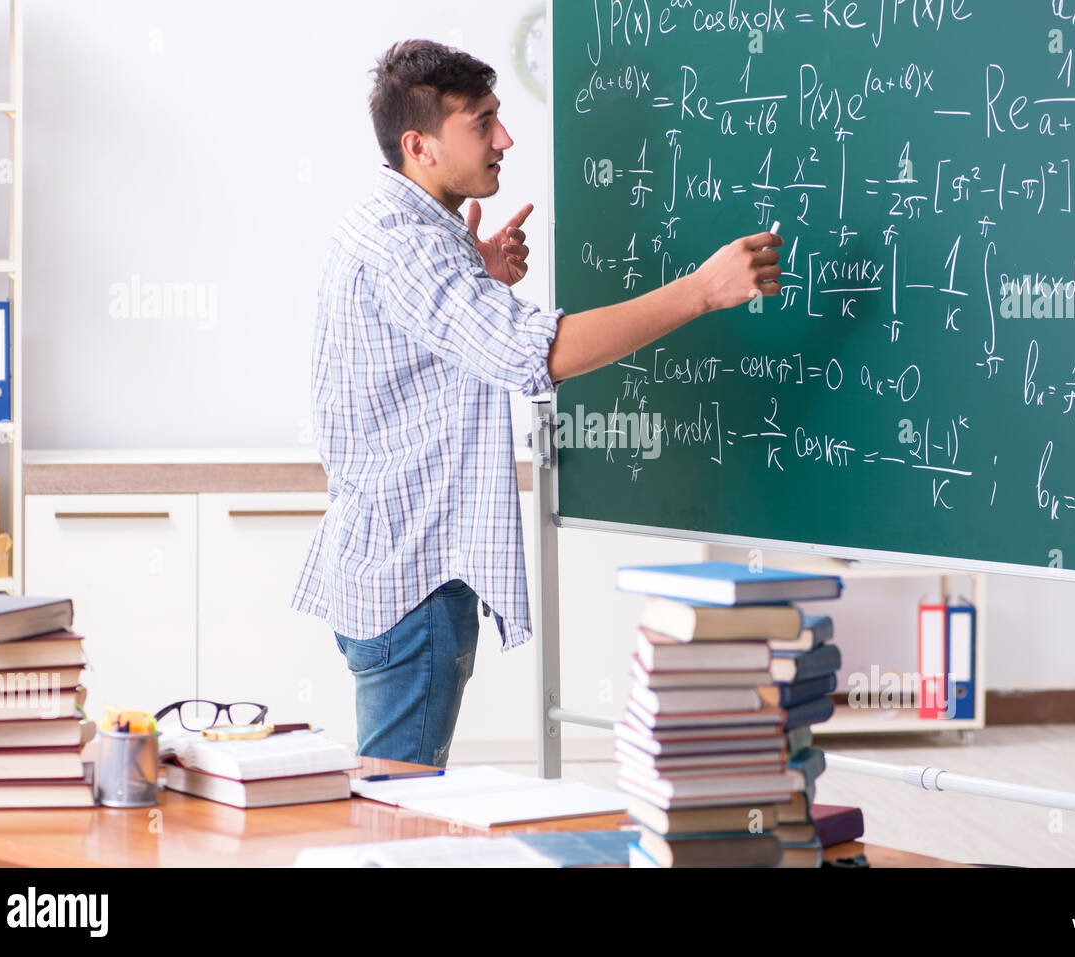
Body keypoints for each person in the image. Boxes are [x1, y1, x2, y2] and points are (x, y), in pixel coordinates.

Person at [290, 39, 781, 766]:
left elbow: (421, 332)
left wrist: (476, 274)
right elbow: (536, 354)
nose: (505, 139)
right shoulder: (412, 248)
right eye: (481, 123)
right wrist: (702, 290)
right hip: (415, 587)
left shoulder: (392, 223)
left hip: (379, 567)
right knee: (397, 806)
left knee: (392, 796)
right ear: (419, 145)